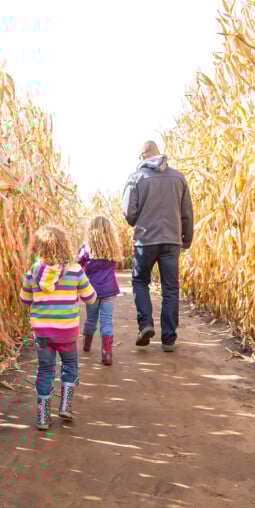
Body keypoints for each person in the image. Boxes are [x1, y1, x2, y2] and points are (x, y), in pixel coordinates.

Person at [19, 225, 97, 430]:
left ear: (38, 248)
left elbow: (24, 300)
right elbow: (90, 298)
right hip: (67, 333)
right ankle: (65, 405)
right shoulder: (75, 270)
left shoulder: (32, 272)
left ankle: (43, 418)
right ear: (64, 245)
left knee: (45, 370)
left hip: (43, 333)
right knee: (70, 366)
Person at [121, 141, 194, 352]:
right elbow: (186, 212)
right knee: (170, 288)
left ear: (142, 157)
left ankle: (145, 324)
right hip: (171, 240)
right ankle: (169, 339)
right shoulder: (178, 177)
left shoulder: (136, 178)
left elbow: (129, 212)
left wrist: (136, 221)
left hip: (146, 239)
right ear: (159, 154)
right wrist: (186, 238)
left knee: (139, 280)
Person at [77, 216, 122, 365]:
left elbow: (78, 265)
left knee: (91, 319)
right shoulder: (112, 248)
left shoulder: (85, 249)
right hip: (109, 290)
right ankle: (107, 354)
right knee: (106, 321)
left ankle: (87, 345)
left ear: (90, 231)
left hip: (92, 292)